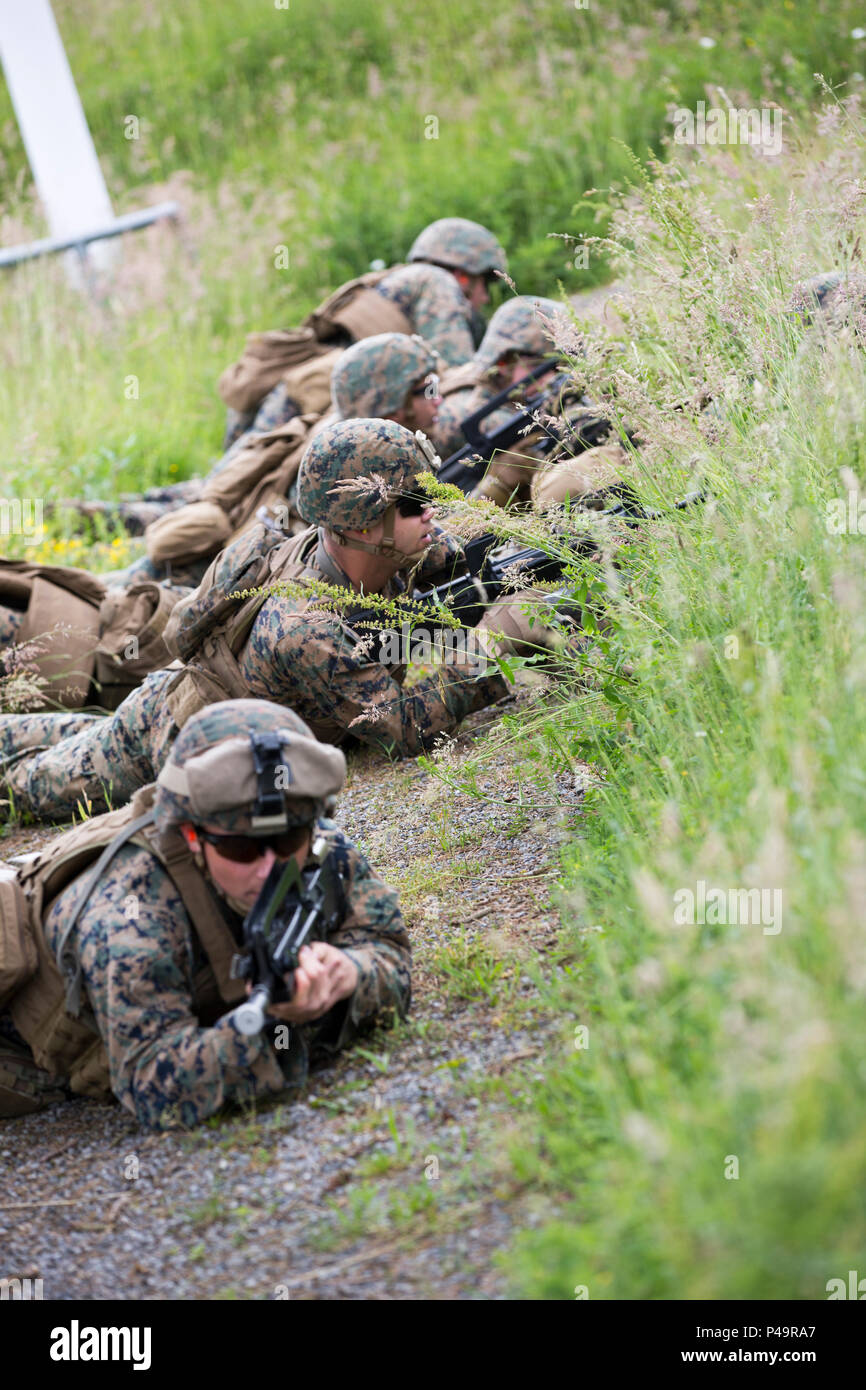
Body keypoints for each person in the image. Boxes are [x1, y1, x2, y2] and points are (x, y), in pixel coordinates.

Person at [0, 419, 556, 823]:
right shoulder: (304, 626)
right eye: (412, 503)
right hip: (164, 737)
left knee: (55, 732)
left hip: (167, 694)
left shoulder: (384, 548)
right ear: (361, 526)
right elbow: (399, 729)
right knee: (26, 782)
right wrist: (491, 650)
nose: (431, 510)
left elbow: (463, 569)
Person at [0, 699, 411, 1128]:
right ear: (192, 837)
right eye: (240, 848)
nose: (270, 867)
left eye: (288, 841)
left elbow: (385, 944)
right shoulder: (131, 912)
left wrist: (349, 974)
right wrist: (267, 1025)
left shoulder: (315, 841)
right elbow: (155, 1088)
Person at [218, 216, 508, 447]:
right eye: (485, 284)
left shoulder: (390, 280)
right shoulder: (437, 281)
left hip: (294, 388)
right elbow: (457, 376)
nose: (483, 299)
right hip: (320, 396)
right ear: (463, 275)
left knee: (238, 479)